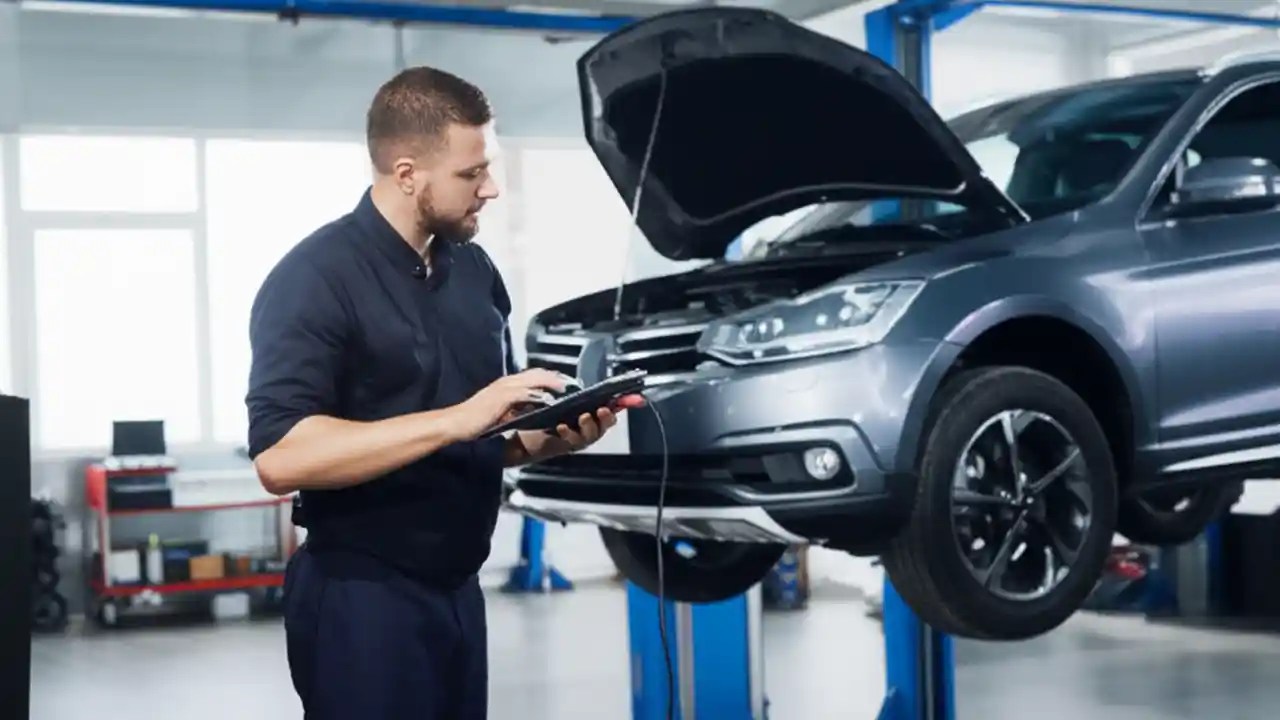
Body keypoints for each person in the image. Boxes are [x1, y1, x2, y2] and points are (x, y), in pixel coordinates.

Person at [244, 66, 631, 719]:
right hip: (360, 599)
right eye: (470, 173)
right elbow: (280, 458)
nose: (492, 188)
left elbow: (486, 436)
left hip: (458, 591)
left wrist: (553, 435)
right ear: (406, 174)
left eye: (490, 165)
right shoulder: (314, 279)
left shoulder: (475, 274)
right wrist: (458, 420)